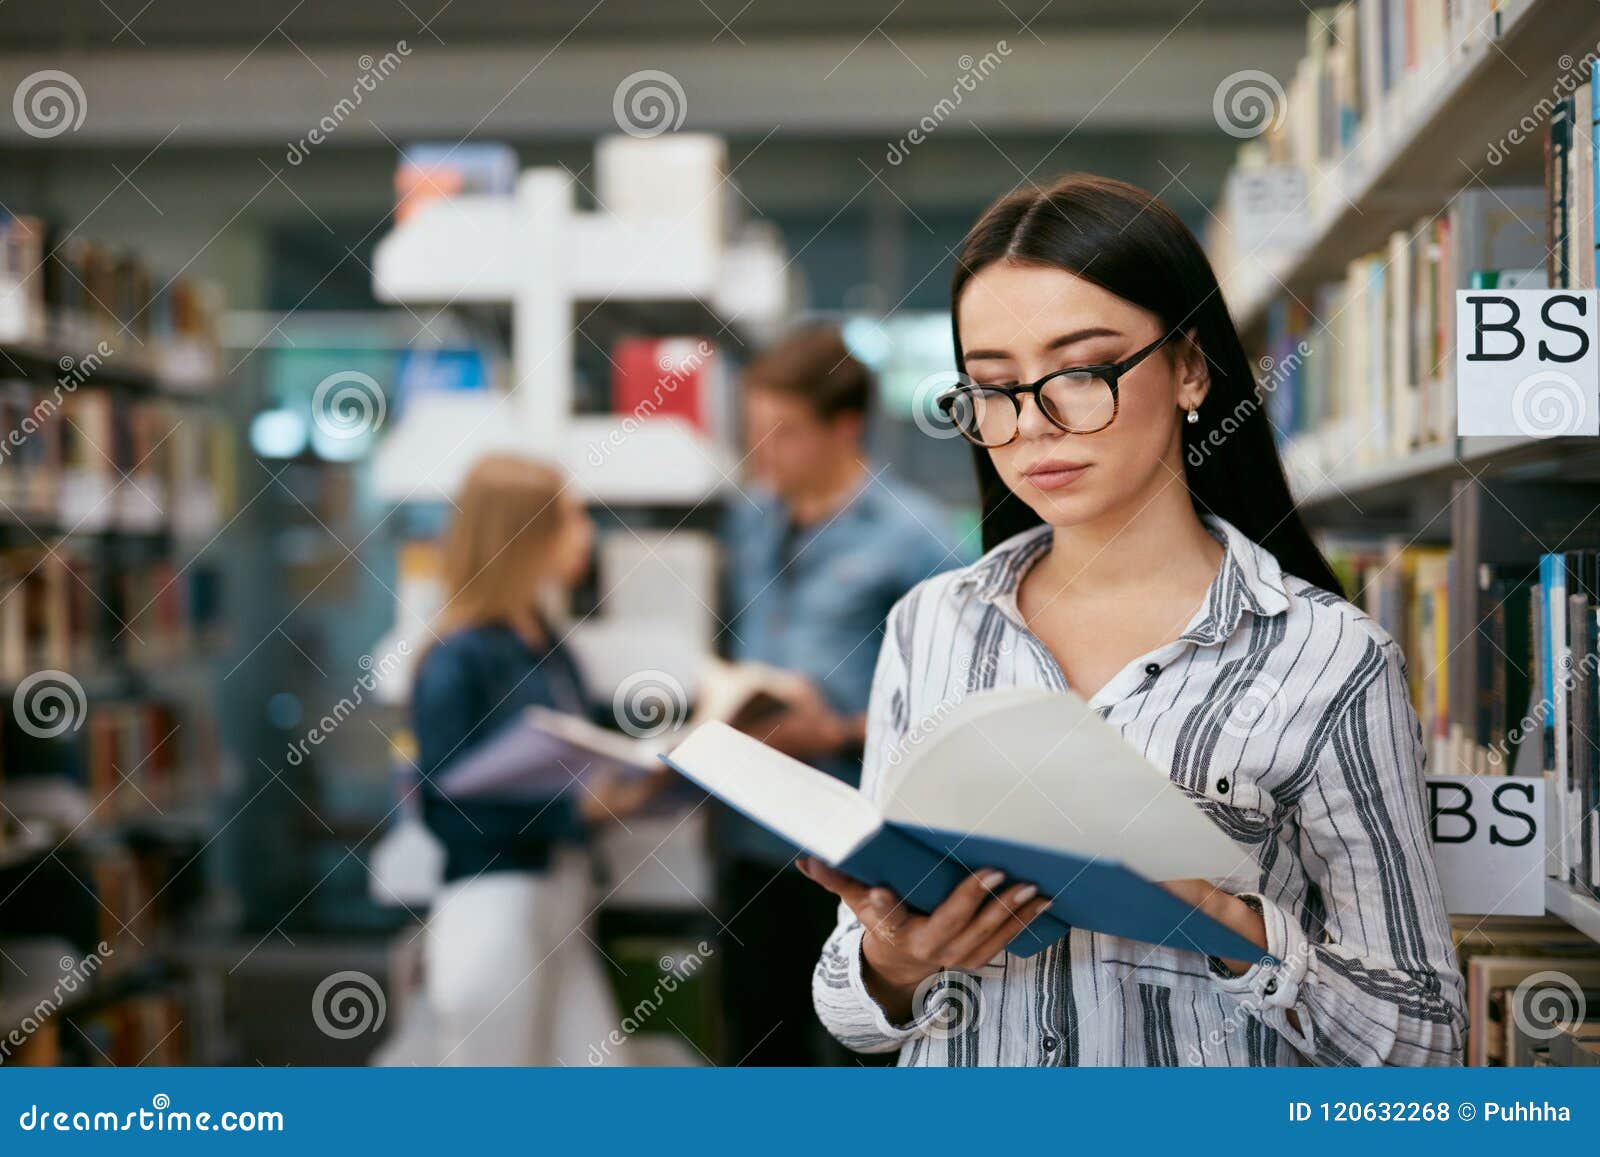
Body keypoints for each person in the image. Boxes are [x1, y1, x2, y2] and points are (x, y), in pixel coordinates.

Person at [800, 174, 1467, 1066]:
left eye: (1079, 372)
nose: (1033, 424)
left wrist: (1226, 922)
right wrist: (890, 958)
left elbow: (1425, 1037)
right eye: (993, 386)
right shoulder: (933, 623)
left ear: (1190, 367)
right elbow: (848, 1006)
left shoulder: (1331, 657)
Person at [718, 324, 968, 1065]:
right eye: (754, 431)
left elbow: (958, 703)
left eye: (784, 433)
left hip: (863, 857)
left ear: (845, 427)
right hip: (754, 843)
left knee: (870, 1056)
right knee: (758, 1052)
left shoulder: (915, 536)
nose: (762, 453)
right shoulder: (750, 522)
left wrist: (833, 731)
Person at [413, 455, 663, 1066]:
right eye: (569, 518)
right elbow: (445, 810)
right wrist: (572, 811)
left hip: (564, 905)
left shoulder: (546, 642)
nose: (585, 534)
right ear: (520, 534)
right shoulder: (457, 658)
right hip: (493, 910)